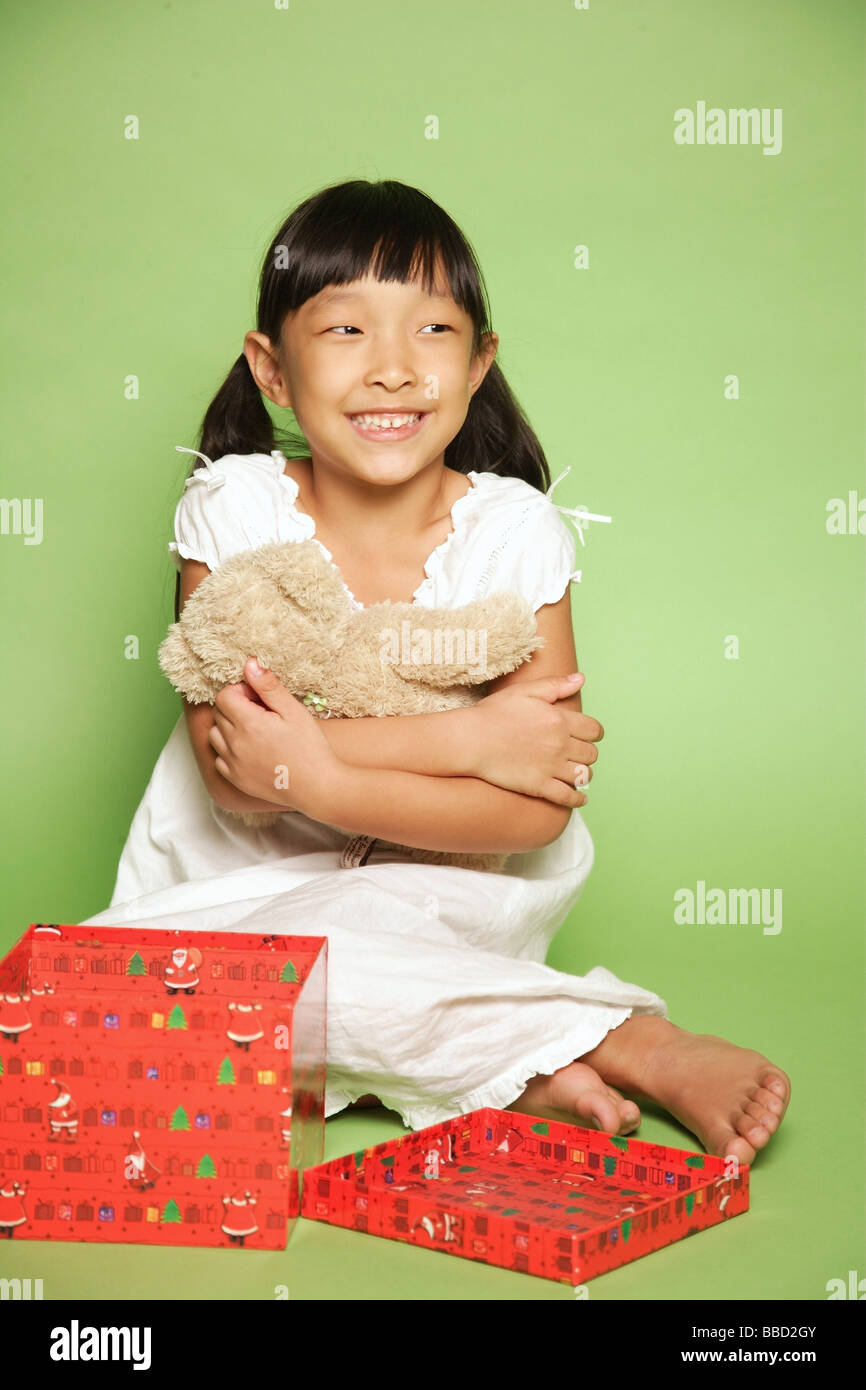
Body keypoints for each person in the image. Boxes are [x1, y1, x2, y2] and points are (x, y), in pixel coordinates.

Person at [80, 178, 789, 1165]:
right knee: (130, 1006)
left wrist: (324, 767)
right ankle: (538, 1048)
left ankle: (625, 1037)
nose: (391, 370)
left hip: (441, 894)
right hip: (230, 890)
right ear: (271, 368)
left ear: (477, 364)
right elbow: (233, 769)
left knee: (298, 978)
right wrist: (463, 738)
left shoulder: (513, 534)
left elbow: (537, 808)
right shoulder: (233, 511)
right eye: (343, 332)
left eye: (431, 331)